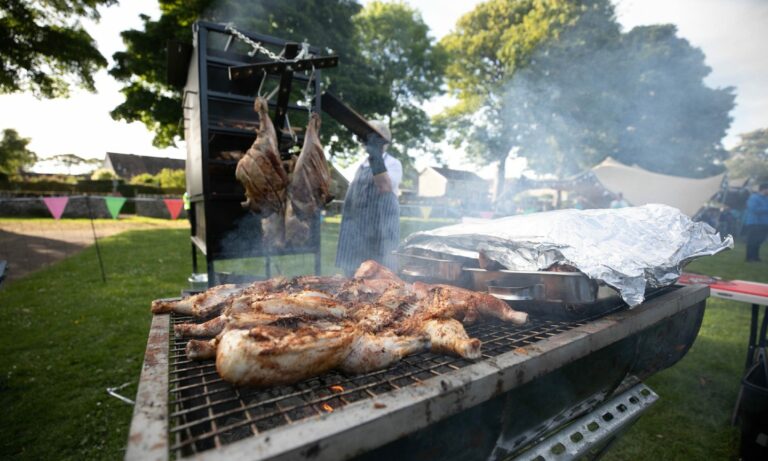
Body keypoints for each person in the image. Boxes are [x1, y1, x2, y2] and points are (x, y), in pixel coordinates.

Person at [336, 120, 403, 277]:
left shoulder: (393, 163)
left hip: (380, 230)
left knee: (379, 277)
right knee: (352, 277)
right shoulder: (361, 164)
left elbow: (385, 186)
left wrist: (375, 154)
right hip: (355, 231)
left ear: (382, 141)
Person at [744, 183, 768, 262]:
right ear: (764, 189)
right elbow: (753, 209)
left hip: (764, 223)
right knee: (752, 240)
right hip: (754, 222)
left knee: (759, 241)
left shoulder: (766, 198)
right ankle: (749, 257)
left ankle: (756, 256)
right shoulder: (754, 197)